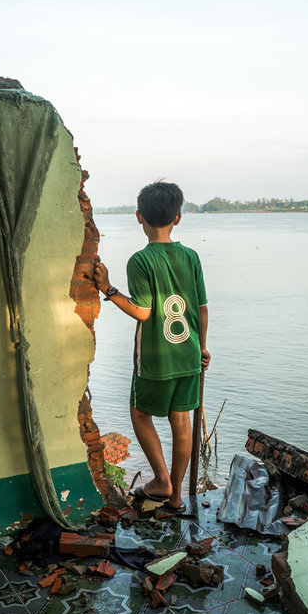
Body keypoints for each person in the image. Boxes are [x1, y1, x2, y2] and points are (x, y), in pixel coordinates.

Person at [92, 181, 210, 512]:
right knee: (181, 420)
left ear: (139, 217)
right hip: (188, 354)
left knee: (140, 413)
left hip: (156, 359)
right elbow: (201, 307)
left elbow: (143, 312)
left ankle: (161, 480)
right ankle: (176, 498)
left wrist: (108, 289)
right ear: (178, 217)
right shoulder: (191, 256)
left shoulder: (140, 261)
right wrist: (202, 346)